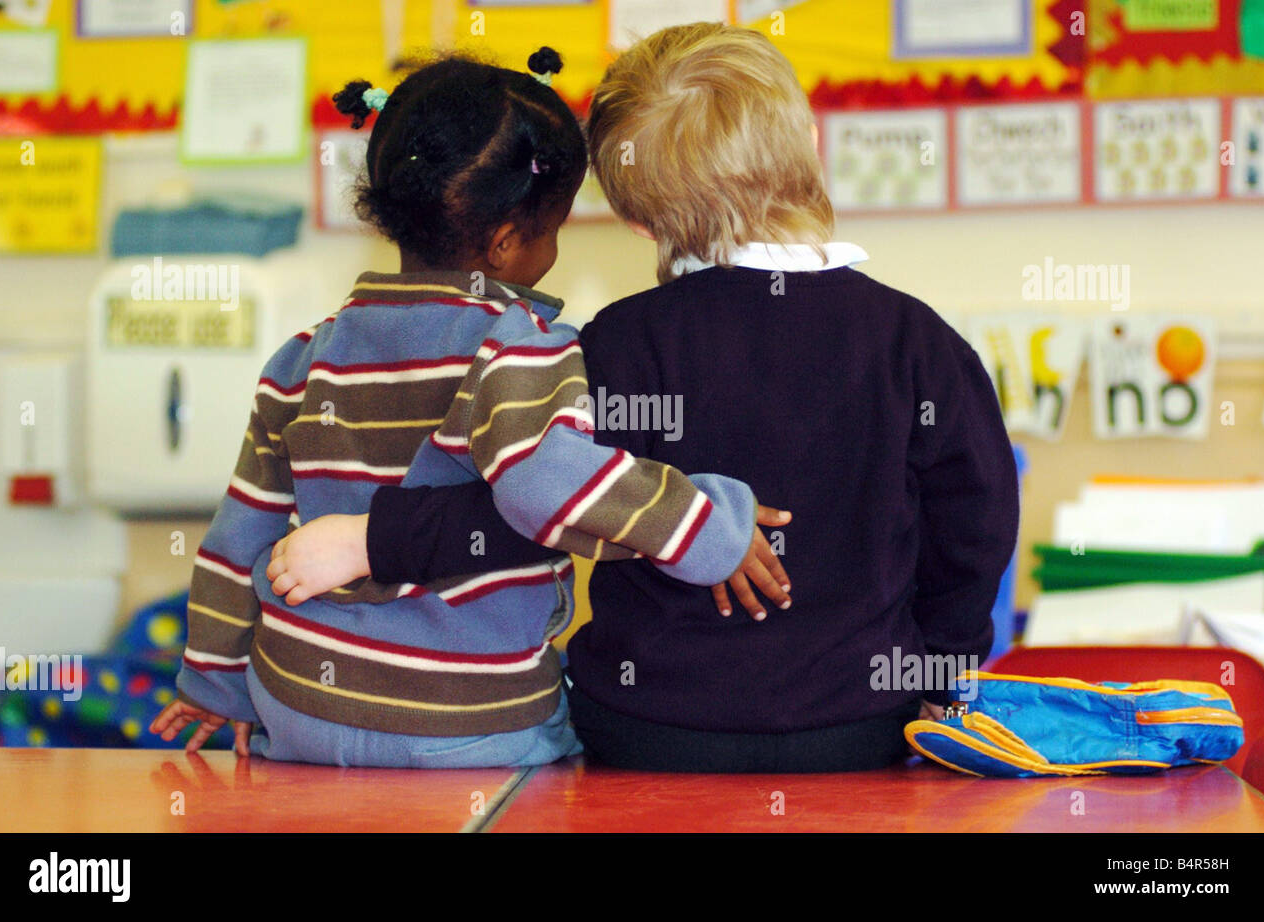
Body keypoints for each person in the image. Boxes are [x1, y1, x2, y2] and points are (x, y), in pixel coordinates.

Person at [268, 25, 1019, 772]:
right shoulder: (921, 344)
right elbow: (976, 526)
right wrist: (943, 681)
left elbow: (530, 504)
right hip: (858, 729)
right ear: (811, 142)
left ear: (634, 218)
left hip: (644, 730)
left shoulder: (613, 346)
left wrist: (372, 539)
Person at [149, 46, 788, 768]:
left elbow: (237, 537)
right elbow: (551, 486)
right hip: (468, 729)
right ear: (508, 241)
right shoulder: (519, 345)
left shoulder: (299, 358)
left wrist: (214, 685)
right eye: (554, 229)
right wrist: (706, 526)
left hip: (297, 708)